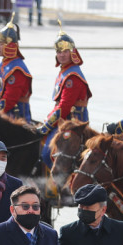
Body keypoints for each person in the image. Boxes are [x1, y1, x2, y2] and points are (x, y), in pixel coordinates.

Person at [36, 25, 91, 167]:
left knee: (48, 153)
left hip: (74, 124)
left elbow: (64, 108)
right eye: (59, 51)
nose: (62, 54)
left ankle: (61, 186)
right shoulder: (65, 71)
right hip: (64, 121)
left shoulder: (72, 76)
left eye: (65, 51)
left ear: (72, 52)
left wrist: (47, 125)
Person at [0, 17, 32, 122]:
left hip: (17, 119)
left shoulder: (16, 70)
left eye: (1, 44)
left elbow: (9, 100)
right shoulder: (4, 64)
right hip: (5, 114)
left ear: (10, 46)